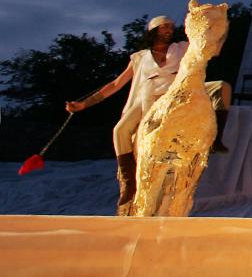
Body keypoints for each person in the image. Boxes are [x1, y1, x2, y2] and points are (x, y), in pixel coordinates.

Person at [66, 14, 231, 215]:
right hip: (148, 98)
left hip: (177, 95)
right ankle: (128, 182)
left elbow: (213, 49)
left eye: (170, 26)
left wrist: (221, 28)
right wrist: (84, 104)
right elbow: (115, 85)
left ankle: (216, 138)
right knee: (120, 130)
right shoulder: (139, 57)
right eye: (164, 27)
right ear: (153, 31)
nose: (169, 29)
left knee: (222, 87)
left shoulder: (182, 48)